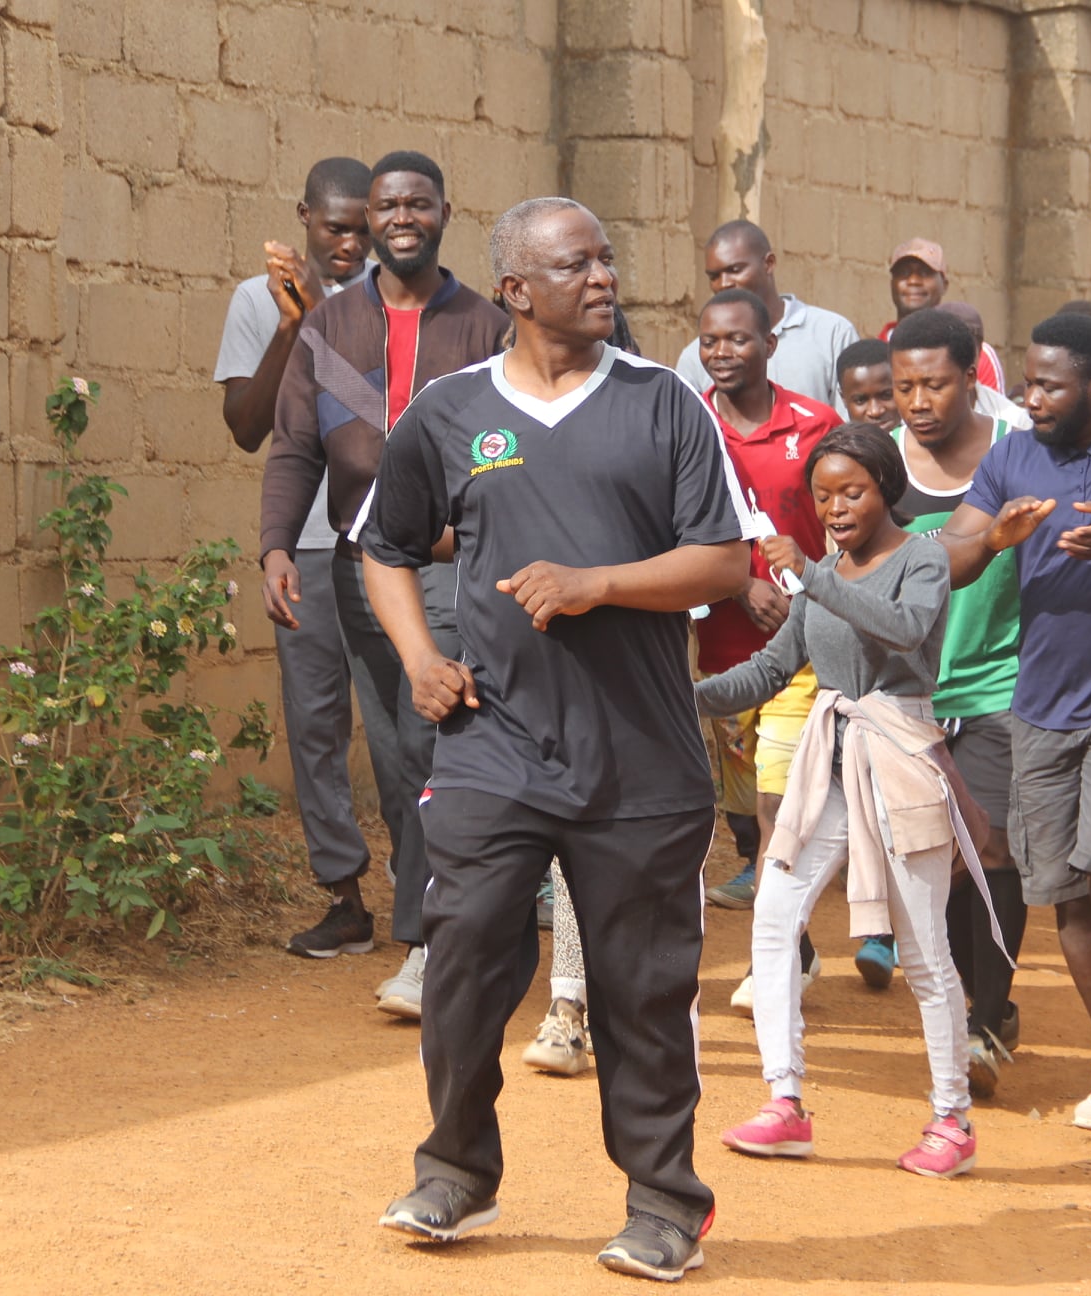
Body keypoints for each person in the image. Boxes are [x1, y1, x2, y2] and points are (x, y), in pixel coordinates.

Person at [363, 197, 749, 1280]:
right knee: (465, 963)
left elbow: (723, 563)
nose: (604, 277)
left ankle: (665, 1202)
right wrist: (418, 659)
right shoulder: (447, 416)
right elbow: (385, 548)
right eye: (577, 264)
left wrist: (599, 585)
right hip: (494, 748)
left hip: (641, 761)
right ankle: (455, 1173)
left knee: (642, 992)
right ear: (517, 292)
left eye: (608, 259)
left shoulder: (666, 404)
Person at [702, 422, 997, 1181]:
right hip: (828, 767)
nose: (835, 508)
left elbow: (904, 631)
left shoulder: (923, 558)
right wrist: (679, 696)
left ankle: (951, 1120)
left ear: (886, 487)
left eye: (852, 492)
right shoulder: (824, 573)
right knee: (773, 920)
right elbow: (768, 670)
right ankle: (784, 1102)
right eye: (823, 495)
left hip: (900, 760)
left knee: (926, 950)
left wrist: (812, 574)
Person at [262, 150, 508, 1015]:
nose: (401, 218)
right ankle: (444, 931)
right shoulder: (330, 329)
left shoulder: (484, 326)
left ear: (445, 212)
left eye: (417, 204)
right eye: (386, 206)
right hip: (361, 566)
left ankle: (432, 942)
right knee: (402, 759)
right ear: (367, 220)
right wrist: (277, 547)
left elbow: (512, 448)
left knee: (439, 750)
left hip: (452, 569)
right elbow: (293, 443)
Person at [937, 311, 1091, 1137]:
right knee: (1065, 897)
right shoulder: (1011, 456)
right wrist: (994, 541)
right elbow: (951, 554)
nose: (1030, 397)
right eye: (1028, 381)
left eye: (1049, 384)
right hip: (1036, 708)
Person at [213, 156, 374, 959]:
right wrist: (288, 326)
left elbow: (386, 416)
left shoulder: (394, 302)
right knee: (315, 726)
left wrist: (318, 321)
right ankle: (343, 896)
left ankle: (427, 903)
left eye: (361, 227)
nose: (348, 243)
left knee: (402, 724)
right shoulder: (256, 300)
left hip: (385, 542)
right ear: (304, 217)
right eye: (333, 226)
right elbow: (246, 425)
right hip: (303, 542)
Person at [684, 289, 839, 1010]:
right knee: (743, 816)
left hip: (800, 653)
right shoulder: (685, 425)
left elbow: (846, 528)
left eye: (737, 340)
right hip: (719, 649)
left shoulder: (816, 426)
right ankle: (800, 949)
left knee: (780, 804)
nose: (721, 353)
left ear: (770, 344)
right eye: (710, 341)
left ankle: (771, 961)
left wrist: (814, 595)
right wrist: (742, 583)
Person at [888, 307, 1026, 1095]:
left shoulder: (1014, 454)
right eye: (905, 386)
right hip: (910, 689)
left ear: (971, 379)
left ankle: (985, 1021)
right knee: (934, 857)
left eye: (935, 384)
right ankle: (978, 1006)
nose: (918, 401)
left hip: (1001, 682)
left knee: (994, 848)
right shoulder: (883, 463)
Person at [672, 220, 859, 411]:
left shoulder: (831, 333)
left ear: (769, 263)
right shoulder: (698, 357)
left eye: (734, 270)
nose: (723, 284)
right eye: (714, 277)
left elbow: (850, 424)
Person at [877, 238, 1003, 390]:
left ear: (944, 285)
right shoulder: (876, 351)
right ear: (892, 284)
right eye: (904, 273)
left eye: (925, 273)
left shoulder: (975, 352)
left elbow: (995, 411)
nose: (913, 281)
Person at [937, 301, 1032, 426]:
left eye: (963, 351)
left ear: (980, 352)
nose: (953, 362)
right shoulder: (915, 416)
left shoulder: (1012, 420)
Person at [837, 338, 899, 429]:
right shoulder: (835, 443)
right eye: (860, 400)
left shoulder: (923, 441)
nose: (875, 411)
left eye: (887, 395)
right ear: (843, 398)